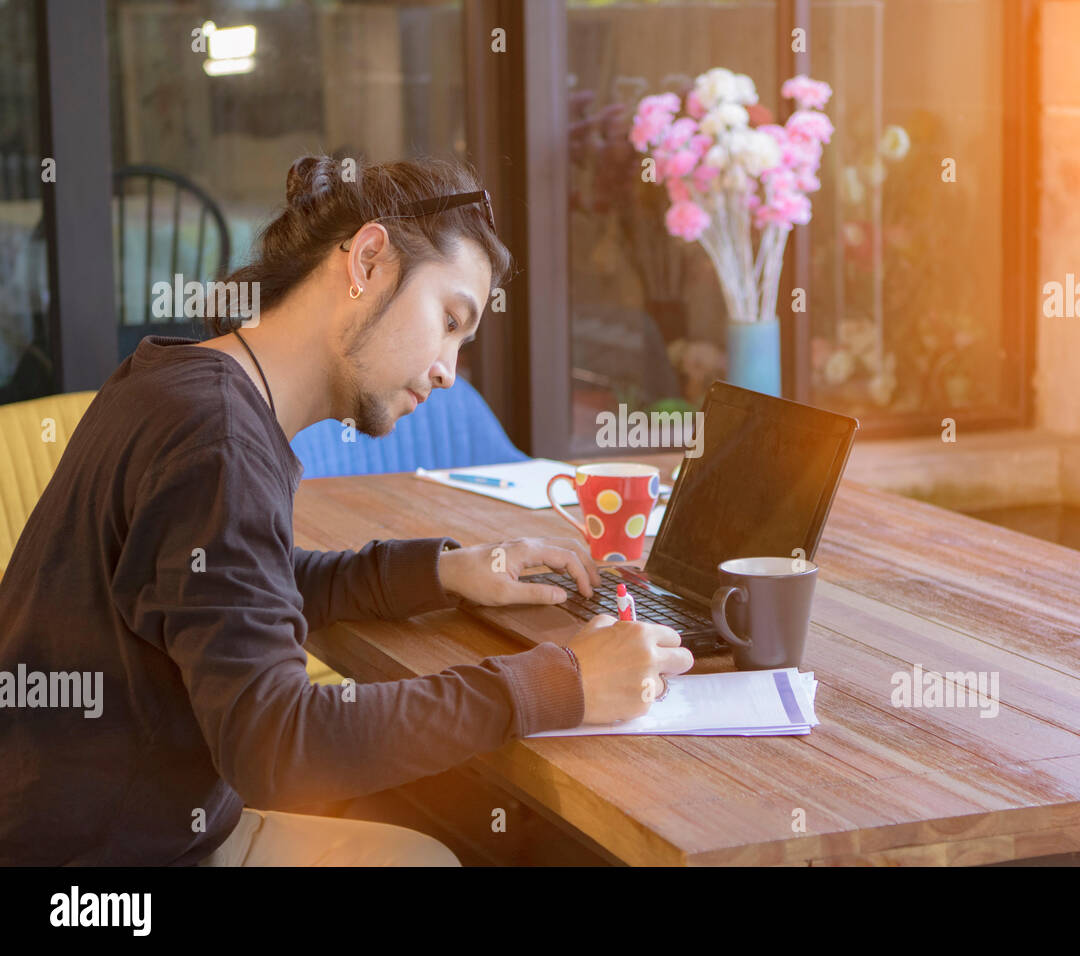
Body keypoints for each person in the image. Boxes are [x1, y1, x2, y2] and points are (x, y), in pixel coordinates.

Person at [0, 155, 693, 865]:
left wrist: (444, 574)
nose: (449, 371)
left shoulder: (176, 379)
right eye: (450, 319)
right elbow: (279, 747)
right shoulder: (219, 442)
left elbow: (223, 593)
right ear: (367, 260)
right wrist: (561, 683)